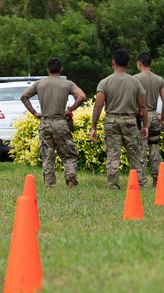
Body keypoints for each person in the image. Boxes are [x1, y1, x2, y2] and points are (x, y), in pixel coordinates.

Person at [21, 57, 86, 187]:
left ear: (47, 69)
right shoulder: (68, 84)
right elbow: (82, 97)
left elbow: (24, 96)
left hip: (45, 123)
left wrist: (35, 113)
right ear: (61, 69)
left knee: (47, 156)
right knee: (69, 155)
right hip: (60, 122)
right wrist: (70, 109)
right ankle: (71, 182)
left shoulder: (39, 83)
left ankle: (50, 185)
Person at [91, 49, 148, 189]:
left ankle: (113, 184)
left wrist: (93, 126)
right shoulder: (135, 82)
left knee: (112, 154)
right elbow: (143, 107)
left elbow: (98, 106)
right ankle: (140, 183)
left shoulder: (104, 83)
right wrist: (145, 125)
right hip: (129, 121)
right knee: (134, 153)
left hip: (111, 121)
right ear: (128, 64)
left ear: (113, 63)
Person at [134, 51, 164, 185]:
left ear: (139, 63)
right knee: (155, 148)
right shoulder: (159, 79)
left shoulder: (135, 78)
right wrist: (162, 119)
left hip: (142, 116)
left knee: (141, 148)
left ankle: (142, 180)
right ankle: (157, 179)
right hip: (154, 115)